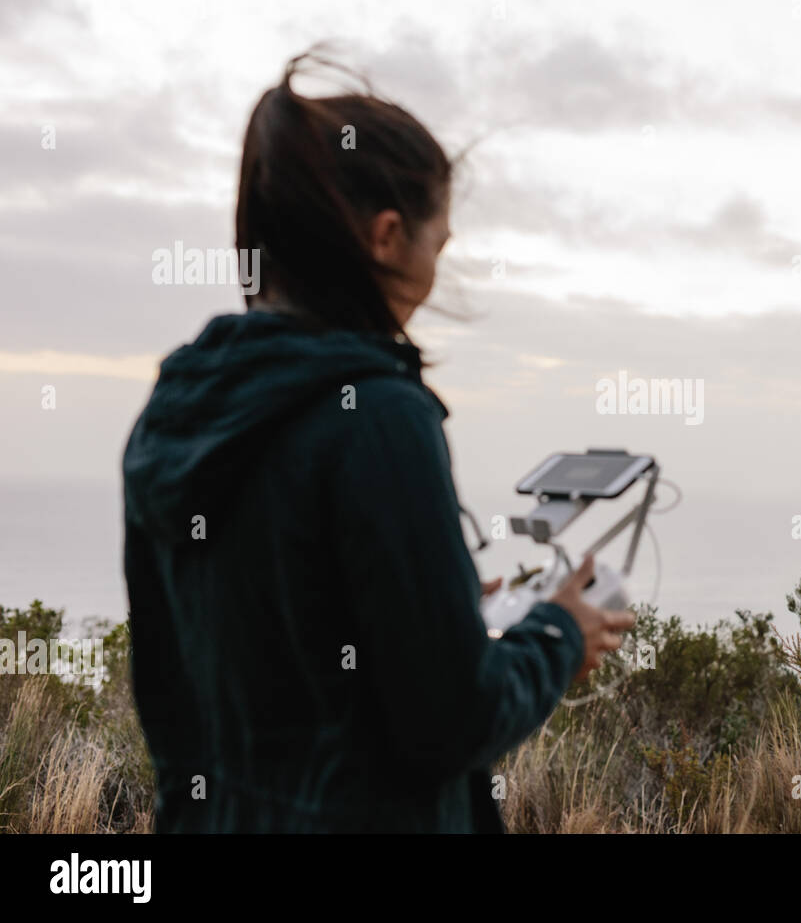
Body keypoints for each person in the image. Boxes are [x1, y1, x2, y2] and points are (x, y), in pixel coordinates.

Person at [121, 53, 635, 832]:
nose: (441, 264)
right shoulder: (377, 417)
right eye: (442, 240)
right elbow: (452, 720)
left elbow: (218, 672)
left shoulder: (176, 413)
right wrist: (560, 632)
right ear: (389, 237)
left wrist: (444, 607)